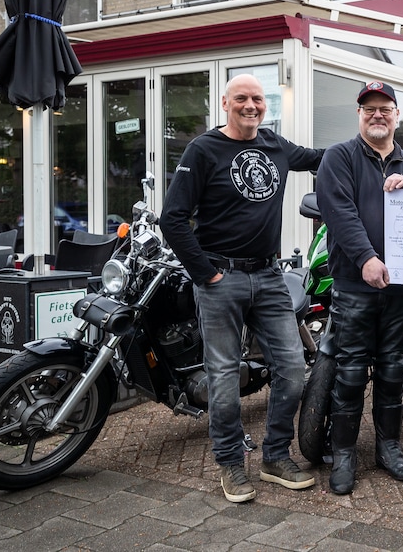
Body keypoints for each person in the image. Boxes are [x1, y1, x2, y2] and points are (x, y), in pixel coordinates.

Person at [162, 73, 323, 503]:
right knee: (223, 378)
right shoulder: (203, 150)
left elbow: (321, 159)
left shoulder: (275, 145)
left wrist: (373, 147)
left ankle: (274, 456)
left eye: (256, 99)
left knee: (291, 371)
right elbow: (173, 218)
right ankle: (231, 465)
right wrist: (206, 274)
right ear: (225, 103)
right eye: (241, 99)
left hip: (269, 277)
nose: (250, 105)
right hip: (221, 278)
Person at [315, 80, 403, 495]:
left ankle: (389, 447)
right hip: (355, 285)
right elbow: (340, 213)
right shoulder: (339, 157)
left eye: (384, 108)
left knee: (393, 369)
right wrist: (367, 258)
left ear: (396, 115)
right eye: (369, 108)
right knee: (350, 372)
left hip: (401, 288)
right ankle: (346, 452)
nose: (377, 115)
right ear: (359, 115)